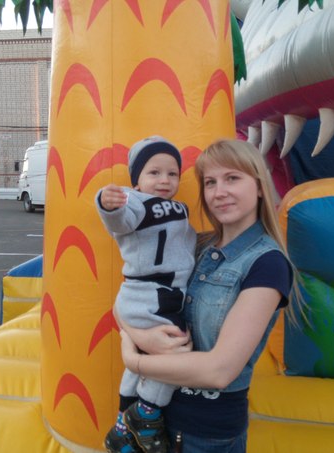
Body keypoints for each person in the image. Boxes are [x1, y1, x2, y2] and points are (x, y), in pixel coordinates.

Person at [118, 138, 297, 453]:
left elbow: (219, 371)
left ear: (259, 186)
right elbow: (127, 300)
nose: (219, 192)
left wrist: (136, 360)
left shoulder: (268, 264)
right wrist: (142, 337)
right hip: (153, 421)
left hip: (206, 436)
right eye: (210, 182)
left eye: (232, 178)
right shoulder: (193, 247)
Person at [96, 136, 197, 453]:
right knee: (176, 352)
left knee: (143, 361)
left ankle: (122, 427)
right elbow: (119, 221)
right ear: (137, 179)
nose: (165, 180)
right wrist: (107, 204)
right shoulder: (136, 202)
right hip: (151, 292)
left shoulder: (179, 207)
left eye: (172, 173)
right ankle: (147, 414)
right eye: (154, 172)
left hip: (156, 292)